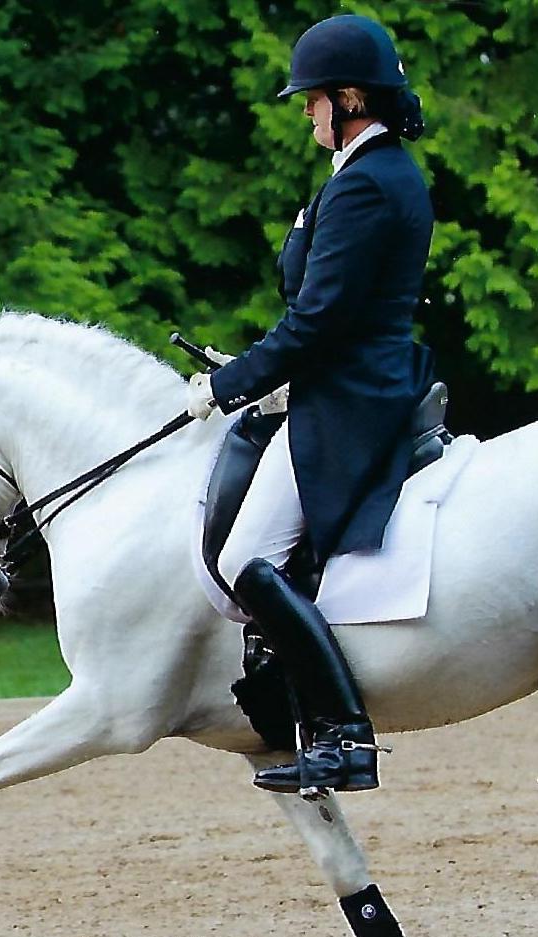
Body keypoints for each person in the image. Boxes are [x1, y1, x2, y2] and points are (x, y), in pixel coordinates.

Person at [185, 13, 434, 795]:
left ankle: (344, 734)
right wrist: (261, 368)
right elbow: (329, 315)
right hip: (348, 379)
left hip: (353, 398)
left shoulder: (367, 182)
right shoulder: (367, 172)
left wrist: (228, 387)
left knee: (242, 560)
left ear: (350, 98)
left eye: (313, 98)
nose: (305, 111)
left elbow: (318, 320)